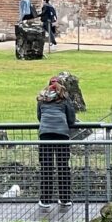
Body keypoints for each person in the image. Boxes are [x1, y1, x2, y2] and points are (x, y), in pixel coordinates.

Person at [36, 77, 78, 208]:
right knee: (63, 167)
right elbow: (71, 119)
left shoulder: (42, 99)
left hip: (45, 135)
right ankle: (65, 199)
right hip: (62, 135)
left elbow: (39, 117)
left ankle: (45, 200)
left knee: (46, 167)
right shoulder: (65, 100)